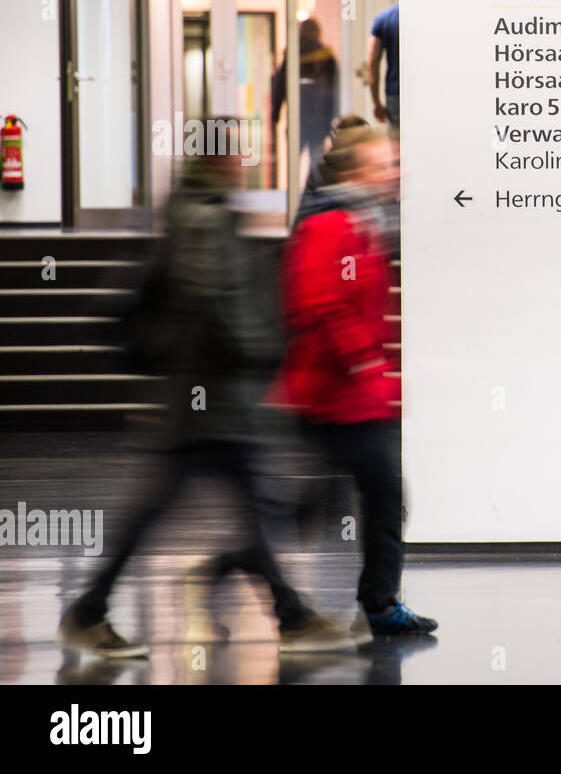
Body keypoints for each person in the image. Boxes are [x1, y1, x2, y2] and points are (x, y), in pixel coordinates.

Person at [58, 129, 361, 657]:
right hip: (213, 400)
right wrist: (264, 350)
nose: (250, 163)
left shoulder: (195, 208)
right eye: (243, 154)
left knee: (211, 505)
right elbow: (212, 301)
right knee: (245, 502)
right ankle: (291, 617)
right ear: (222, 160)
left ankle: (90, 611)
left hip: (201, 400)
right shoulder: (205, 217)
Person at [273, 125, 435, 635]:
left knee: (339, 502)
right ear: (355, 172)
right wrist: (364, 363)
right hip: (338, 397)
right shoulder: (335, 226)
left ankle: (377, 602)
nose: (396, 172)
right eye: (385, 164)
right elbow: (324, 303)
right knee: (380, 496)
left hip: (352, 397)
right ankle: (379, 604)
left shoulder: (363, 220)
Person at [271, 17, 338, 165]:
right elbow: (334, 89)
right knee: (316, 160)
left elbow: (280, 86)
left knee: (294, 159)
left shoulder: (292, 54)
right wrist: (333, 115)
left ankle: (295, 188)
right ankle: (311, 188)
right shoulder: (326, 54)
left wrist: (275, 114)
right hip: (320, 116)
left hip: (297, 114)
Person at [369, 3, 399, 128]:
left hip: (395, 92)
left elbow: (373, 61)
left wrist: (376, 102)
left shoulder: (384, 18)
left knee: (398, 143)